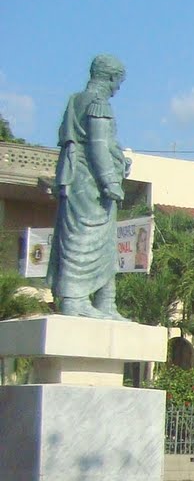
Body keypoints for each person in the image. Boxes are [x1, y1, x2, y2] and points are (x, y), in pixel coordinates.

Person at [50, 54, 131, 320]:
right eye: (118, 81)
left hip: (82, 182)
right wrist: (110, 180)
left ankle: (106, 302)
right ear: (109, 77)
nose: (118, 88)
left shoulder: (75, 101)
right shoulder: (98, 104)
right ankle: (74, 299)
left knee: (107, 244)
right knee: (83, 240)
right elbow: (97, 145)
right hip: (89, 185)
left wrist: (119, 160)